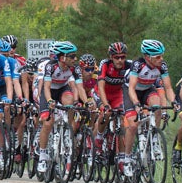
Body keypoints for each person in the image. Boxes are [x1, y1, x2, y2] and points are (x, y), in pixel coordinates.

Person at [119, 39, 176, 177]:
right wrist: (136, 104)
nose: (161, 59)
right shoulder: (138, 65)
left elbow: (168, 87)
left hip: (147, 89)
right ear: (147, 57)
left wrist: (174, 101)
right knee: (132, 125)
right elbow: (131, 88)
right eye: (158, 56)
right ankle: (127, 158)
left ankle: (154, 136)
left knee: (157, 106)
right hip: (131, 91)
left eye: (162, 55)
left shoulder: (162, 66)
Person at [36, 40, 87, 175]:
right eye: (72, 56)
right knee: (48, 123)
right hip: (49, 91)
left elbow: (79, 87)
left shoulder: (75, 68)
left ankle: (67, 129)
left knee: (70, 102)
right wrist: (49, 100)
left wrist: (87, 102)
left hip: (62, 89)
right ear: (62, 57)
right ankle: (42, 156)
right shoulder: (50, 66)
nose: (75, 59)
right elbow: (46, 87)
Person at [95, 42, 129, 148]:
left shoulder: (129, 65)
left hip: (117, 95)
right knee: (106, 112)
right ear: (111, 57)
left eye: (122, 57)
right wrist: (105, 104)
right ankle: (99, 138)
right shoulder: (105, 64)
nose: (120, 60)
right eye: (116, 57)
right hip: (102, 92)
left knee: (122, 122)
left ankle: (122, 158)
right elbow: (100, 86)